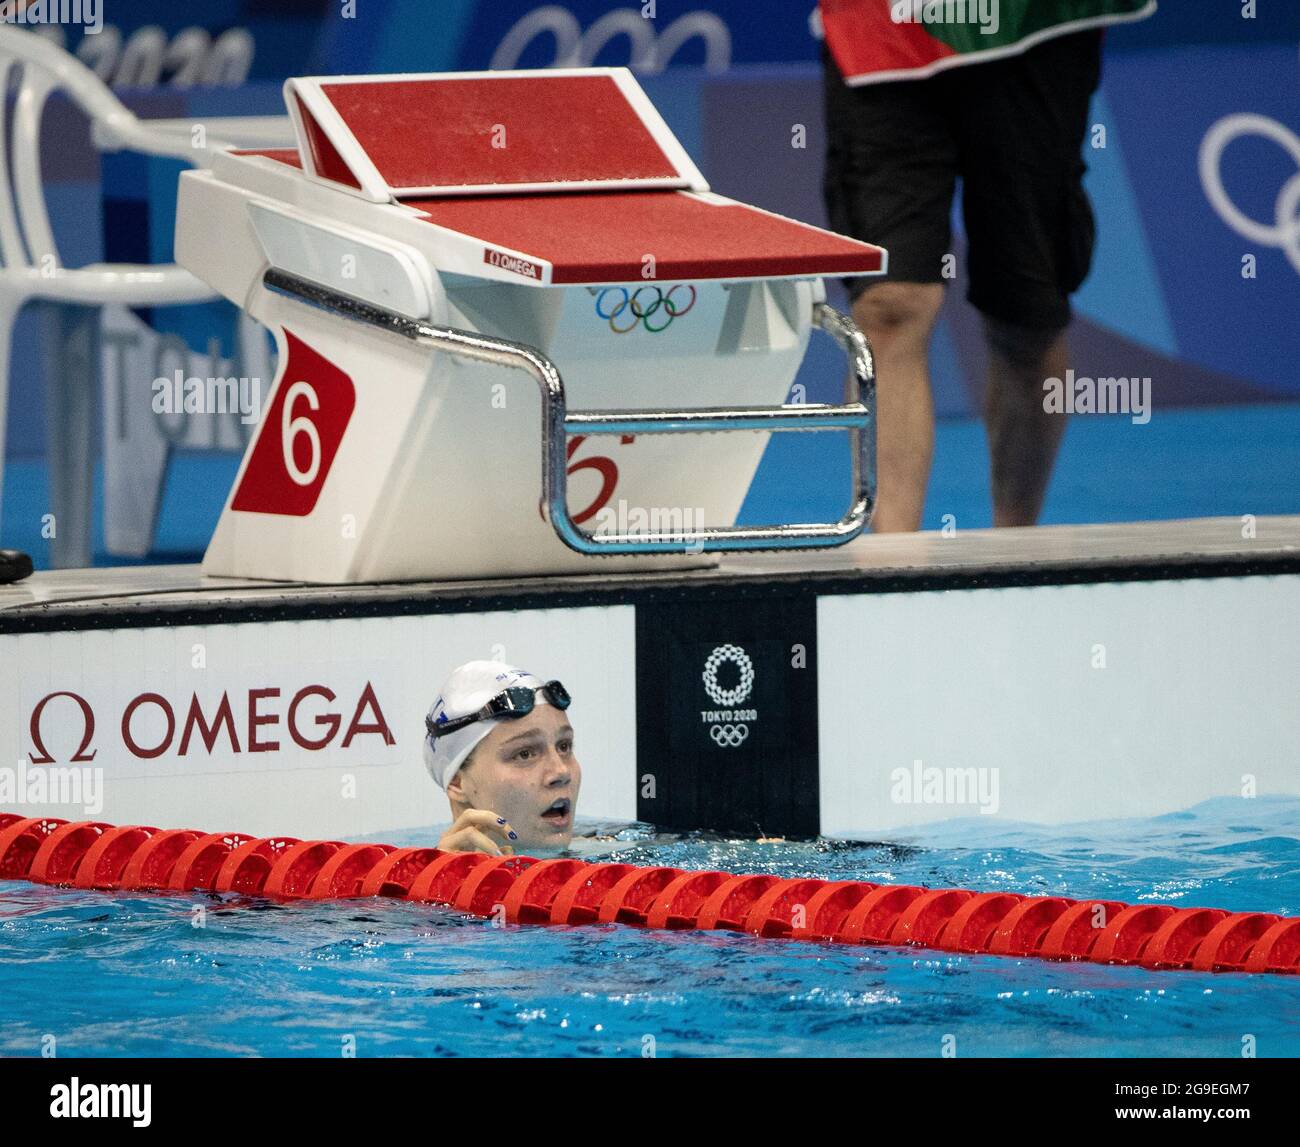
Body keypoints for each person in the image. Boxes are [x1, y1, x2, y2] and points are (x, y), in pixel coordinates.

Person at [819, 0, 1156, 531]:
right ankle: (889, 575)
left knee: (1026, 320)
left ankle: (1013, 553)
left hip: (1032, 26)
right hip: (884, 29)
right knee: (889, 305)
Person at [424, 661, 581, 854]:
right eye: (525, 754)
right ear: (457, 781)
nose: (562, 772)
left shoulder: (611, 846)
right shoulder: (402, 878)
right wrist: (444, 876)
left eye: (564, 746)